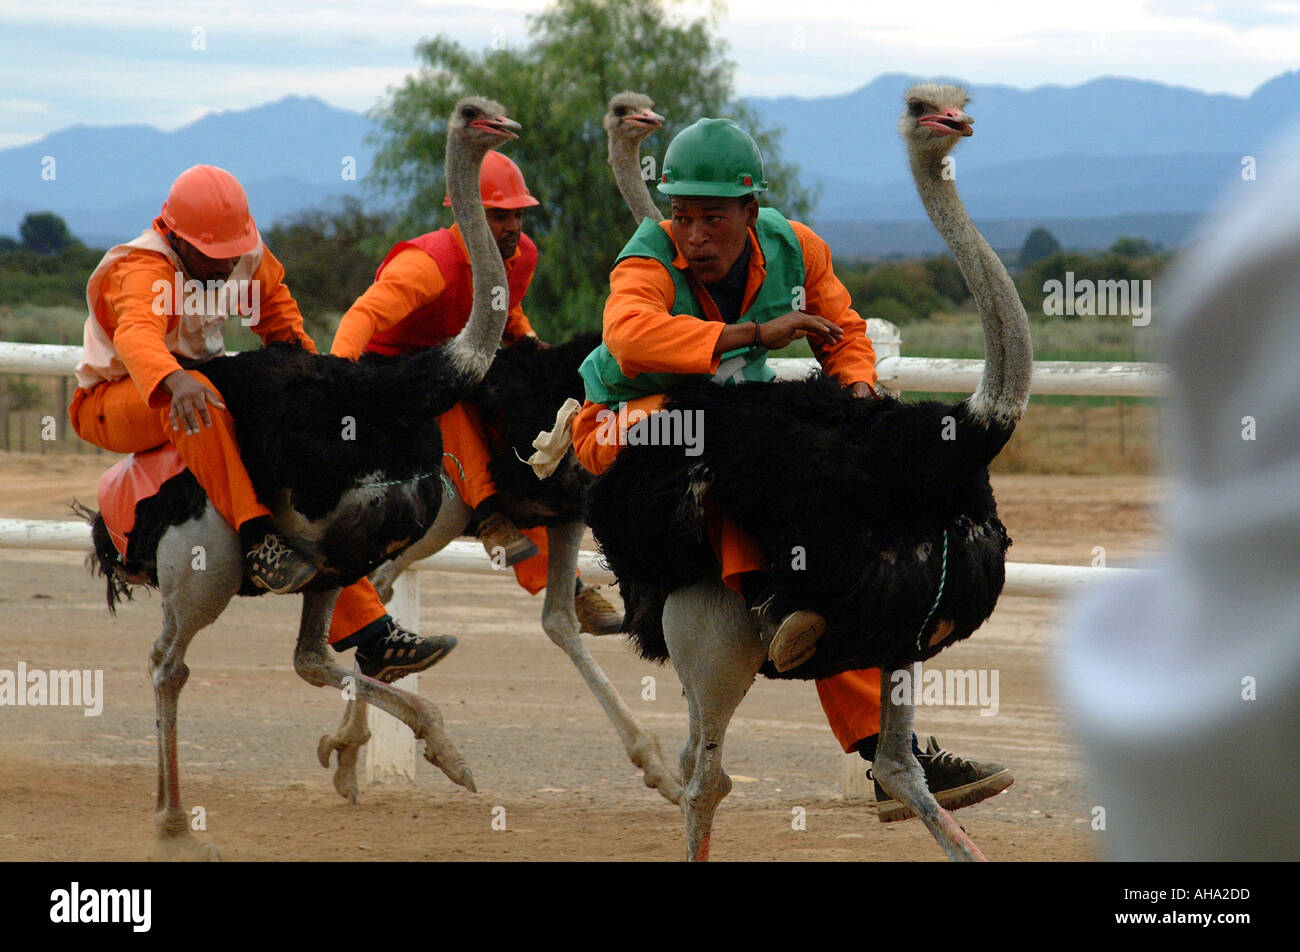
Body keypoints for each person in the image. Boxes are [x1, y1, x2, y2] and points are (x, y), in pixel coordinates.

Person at [572, 118, 1011, 819]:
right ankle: (754, 597)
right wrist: (755, 334)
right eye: (682, 216)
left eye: (712, 218)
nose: (693, 235)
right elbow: (627, 338)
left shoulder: (794, 247)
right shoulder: (647, 259)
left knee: (835, 545)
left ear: (752, 212)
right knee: (716, 440)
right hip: (620, 418)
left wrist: (860, 402)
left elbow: (846, 331)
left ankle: (886, 751)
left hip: (728, 413)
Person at [70, 164, 454, 682]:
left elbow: (281, 323)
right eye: (216, 257)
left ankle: (371, 633)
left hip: (194, 384)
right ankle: (256, 537)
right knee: (205, 397)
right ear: (177, 240)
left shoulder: (244, 255)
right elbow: (138, 335)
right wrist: (173, 379)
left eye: (234, 254)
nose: (229, 267)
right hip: (117, 398)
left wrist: (317, 394)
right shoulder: (143, 270)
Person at [326, 150, 623, 656]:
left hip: (461, 360)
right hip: (392, 374)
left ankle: (558, 579)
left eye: (517, 215)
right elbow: (364, 314)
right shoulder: (426, 265)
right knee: (457, 401)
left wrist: (527, 338)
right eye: (498, 214)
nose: (511, 226)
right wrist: (334, 381)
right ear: (465, 213)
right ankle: (489, 515)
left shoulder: (520, 256)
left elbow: (502, 307)